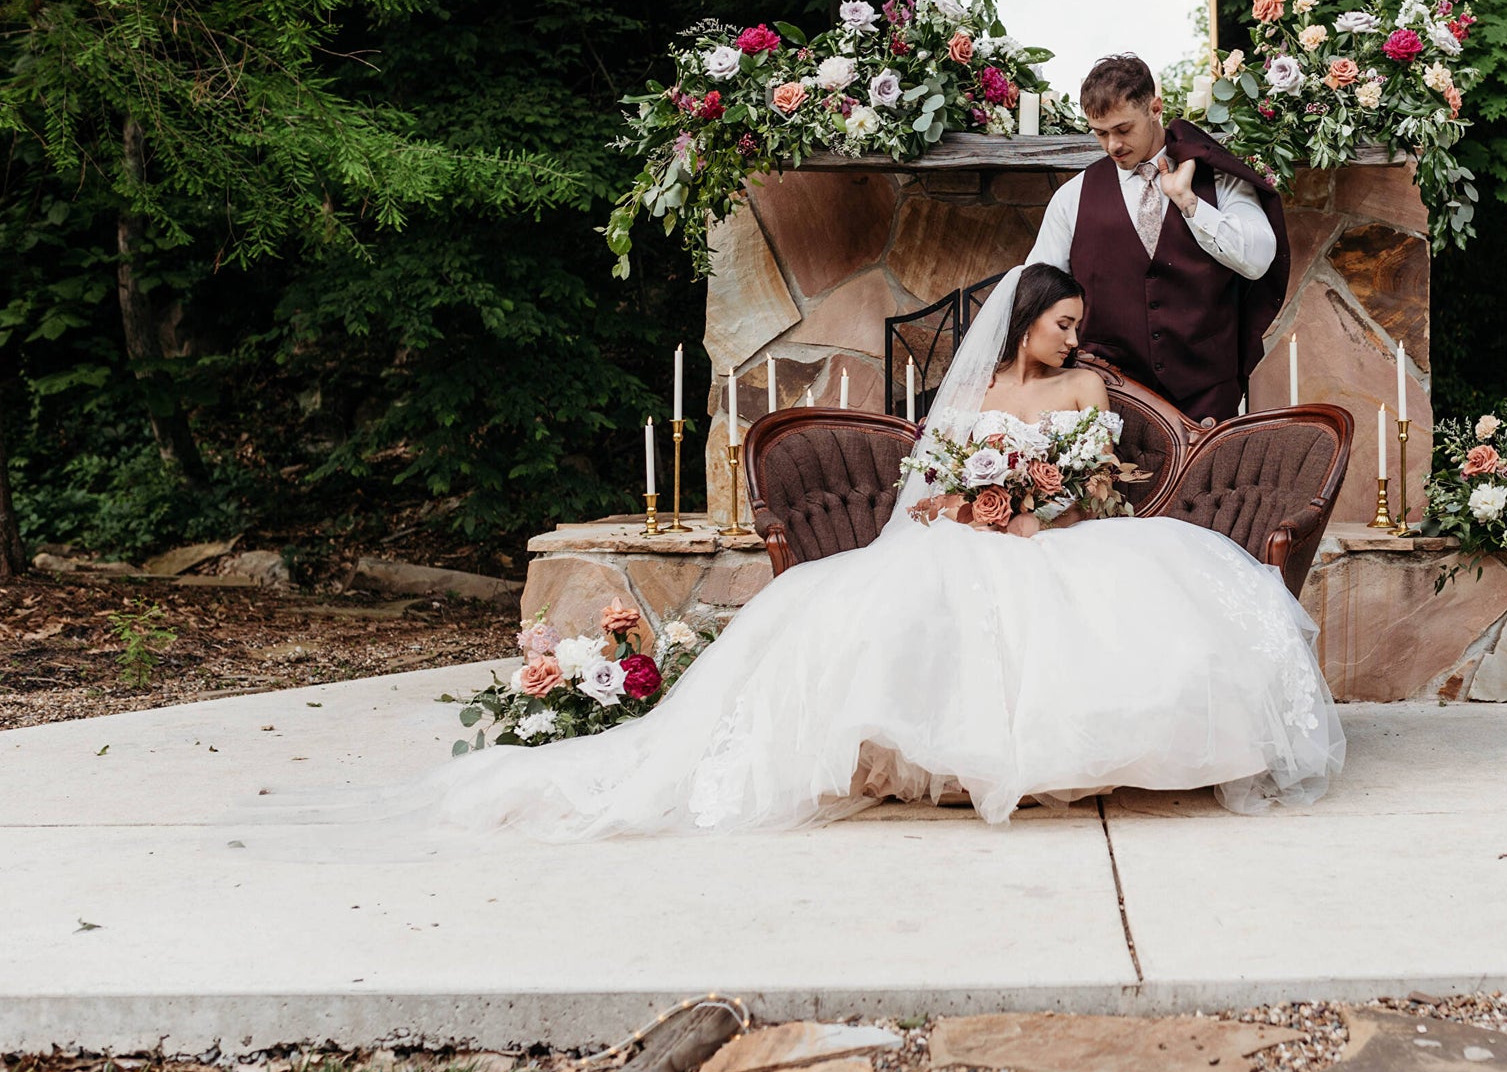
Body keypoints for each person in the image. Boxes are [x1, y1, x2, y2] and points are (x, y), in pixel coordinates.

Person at [416, 264, 1342, 838]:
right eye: (1063, 324)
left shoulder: (1085, 393)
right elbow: (930, 487)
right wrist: (966, 505)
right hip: (968, 536)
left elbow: (1097, 489)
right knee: (882, 599)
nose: (1075, 339)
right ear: (1025, 321)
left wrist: (1038, 513)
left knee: (1113, 609)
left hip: (1058, 539)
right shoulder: (973, 394)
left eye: (1076, 326)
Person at [1028, 54, 1291, 424]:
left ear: (1155, 108)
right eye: (1100, 133)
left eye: (1123, 129)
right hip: (1110, 396)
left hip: (1206, 395)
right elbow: (1037, 293)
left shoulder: (1218, 180)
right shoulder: (1073, 197)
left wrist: (1189, 202)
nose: (1112, 145)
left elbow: (1259, 260)